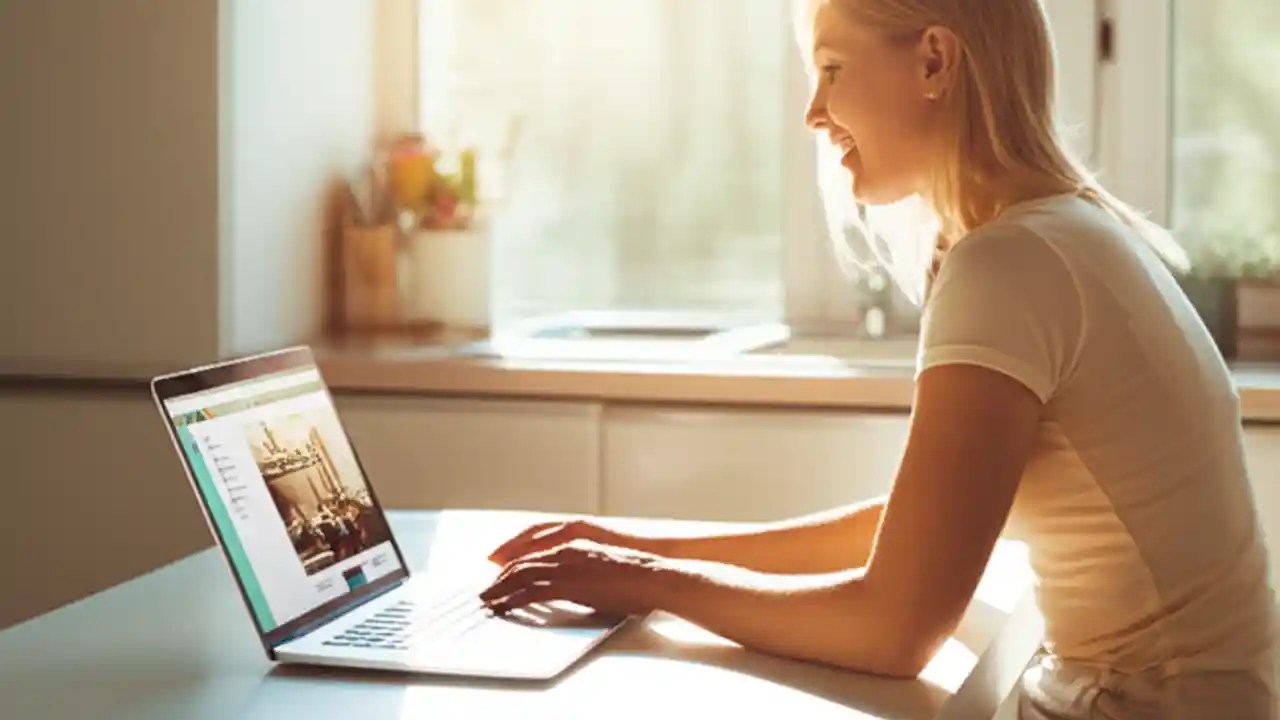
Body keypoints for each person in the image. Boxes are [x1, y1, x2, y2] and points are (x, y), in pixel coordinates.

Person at [478, 1, 1278, 716]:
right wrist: (643, 549)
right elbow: (915, 528)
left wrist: (643, 581)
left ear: (935, 59)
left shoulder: (1013, 264)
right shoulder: (1069, 233)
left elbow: (893, 629)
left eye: (831, 69)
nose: (813, 113)